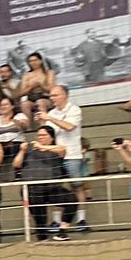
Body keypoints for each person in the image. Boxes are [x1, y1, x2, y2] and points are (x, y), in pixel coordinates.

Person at [14, 126, 73, 241]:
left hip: (52, 188)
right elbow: (16, 164)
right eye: (39, 135)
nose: (40, 137)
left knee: (71, 199)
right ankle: (42, 239)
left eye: (43, 135)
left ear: (51, 137)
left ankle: (63, 230)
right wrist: (22, 150)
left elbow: (62, 150)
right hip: (33, 189)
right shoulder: (30, 150)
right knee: (40, 219)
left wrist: (43, 147)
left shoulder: (56, 149)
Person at [44, 84, 89, 232]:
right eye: (51, 96)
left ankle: (81, 219)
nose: (52, 98)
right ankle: (56, 221)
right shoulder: (51, 113)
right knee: (54, 188)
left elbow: (69, 127)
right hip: (55, 155)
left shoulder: (74, 109)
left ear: (65, 95)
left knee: (77, 186)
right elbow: (49, 134)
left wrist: (49, 118)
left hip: (72, 154)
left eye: (55, 95)